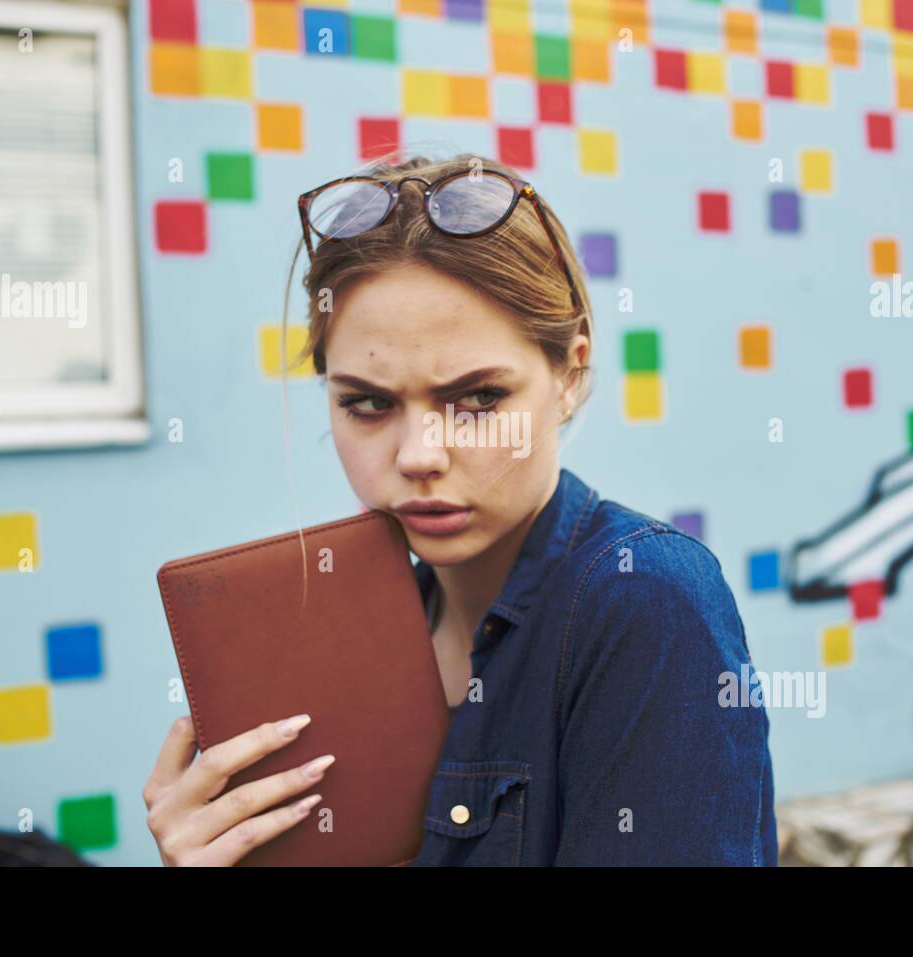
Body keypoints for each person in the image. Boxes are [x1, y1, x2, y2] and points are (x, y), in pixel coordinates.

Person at [143, 151, 778, 866]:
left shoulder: (644, 600)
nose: (419, 454)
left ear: (570, 373)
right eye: (369, 403)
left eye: (478, 398)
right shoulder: (355, 635)